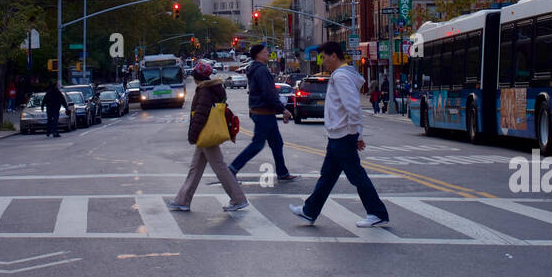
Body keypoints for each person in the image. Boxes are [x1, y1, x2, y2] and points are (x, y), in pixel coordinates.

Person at [290, 42, 390, 227]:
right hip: (338, 135)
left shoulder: (341, 77)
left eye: (325, 57)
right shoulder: (343, 75)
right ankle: (309, 211)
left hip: (343, 135)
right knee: (328, 175)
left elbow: (353, 107)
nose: (323, 62)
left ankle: (377, 212)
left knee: (355, 175)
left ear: (334, 55)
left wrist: (357, 135)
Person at [167, 60, 248, 213]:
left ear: (197, 76)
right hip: (207, 133)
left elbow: (200, 115)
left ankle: (238, 199)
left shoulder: (204, 90)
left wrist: (193, 135)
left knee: (220, 167)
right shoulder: (212, 88)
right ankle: (182, 200)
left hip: (206, 133)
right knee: (195, 168)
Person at [226, 42, 296, 184]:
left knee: (277, 143)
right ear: (258, 54)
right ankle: (232, 169)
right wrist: (283, 109)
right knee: (257, 144)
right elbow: (268, 93)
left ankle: (282, 172)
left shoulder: (256, 69)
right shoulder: (261, 71)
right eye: (265, 52)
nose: (267, 53)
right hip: (263, 113)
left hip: (263, 112)